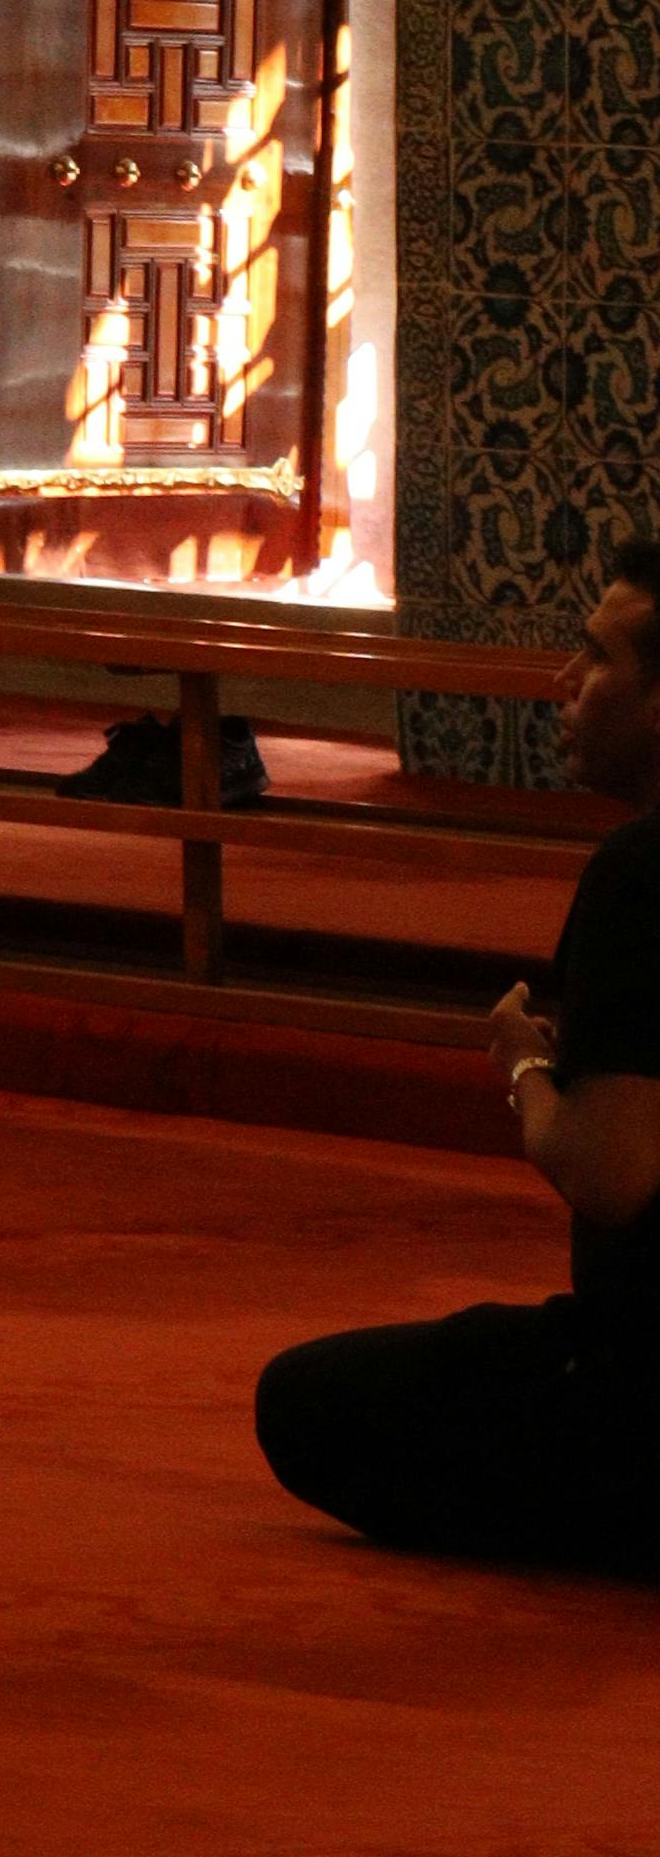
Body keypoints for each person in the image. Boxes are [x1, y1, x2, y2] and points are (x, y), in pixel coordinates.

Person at [255, 545, 660, 1571]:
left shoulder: (643, 874)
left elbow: (614, 1175)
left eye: (594, 658)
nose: (563, 685)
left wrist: (525, 1070)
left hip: (639, 1385)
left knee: (308, 1402)